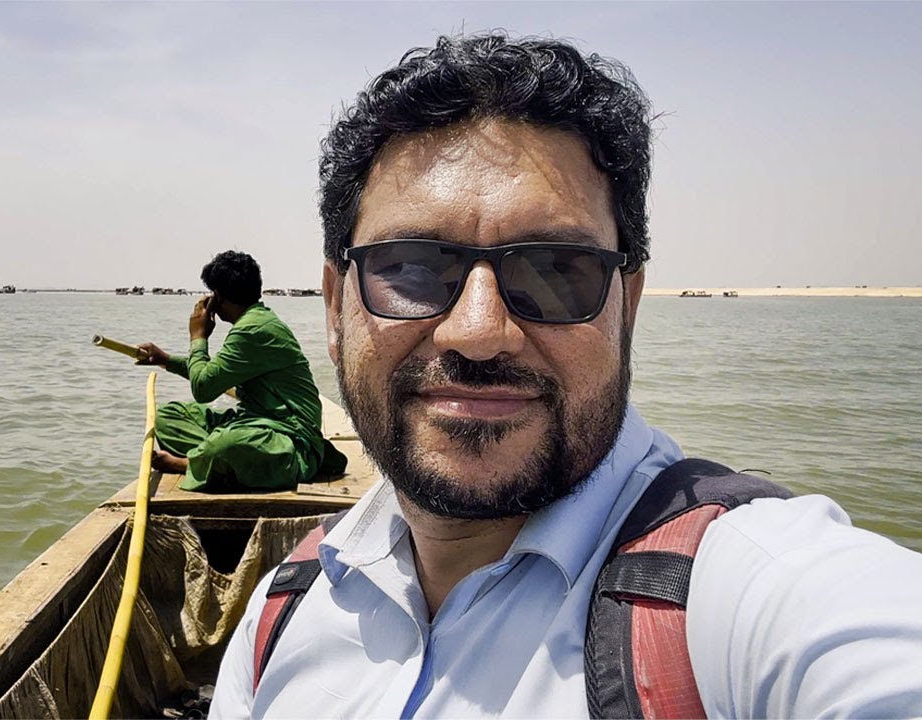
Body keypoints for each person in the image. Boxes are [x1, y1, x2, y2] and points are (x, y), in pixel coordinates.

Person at [209, 33, 922, 717]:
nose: (479, 332)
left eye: (556, 273)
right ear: (335, 308)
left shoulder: (744, 595)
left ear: (627, 306)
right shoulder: (282, 613)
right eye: (413, 270)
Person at [137, 250, 346, 492]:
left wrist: (198, 337)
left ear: (217, 296)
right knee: (167, 417)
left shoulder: (252, 330)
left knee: (228, 444)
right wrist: (165, 360)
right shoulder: (256, 321)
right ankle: (219, 460)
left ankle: (194, 462)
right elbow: (213, 377)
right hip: (254, 423)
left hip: (291, 439)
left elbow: (203, 388)